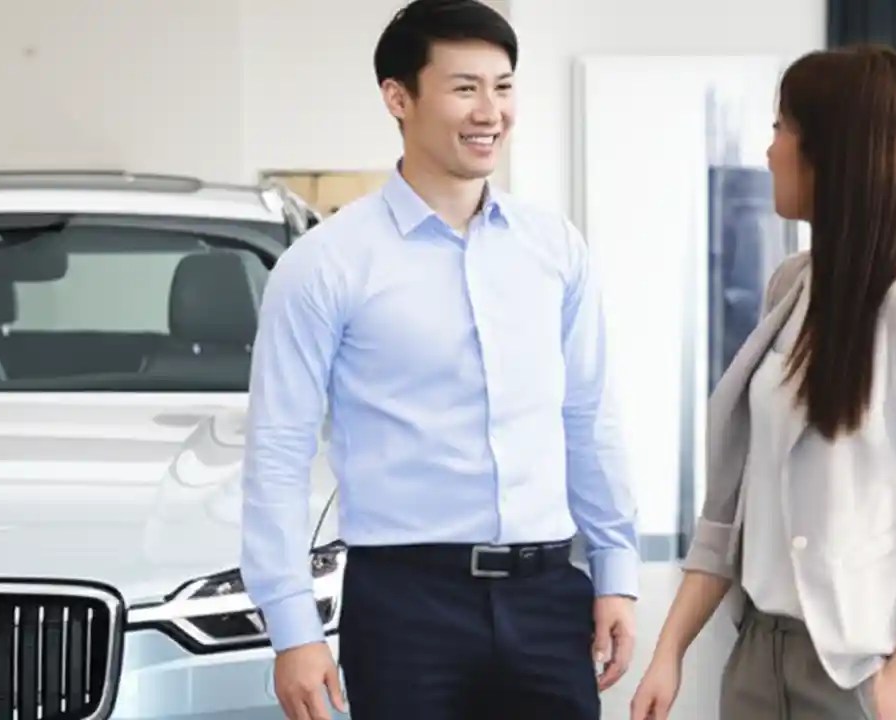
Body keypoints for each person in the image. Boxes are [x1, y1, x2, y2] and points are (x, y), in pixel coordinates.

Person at [239, 1, 641, 718]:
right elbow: (278, 452)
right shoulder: (326, 265)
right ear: (399, 97)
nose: (490, 110)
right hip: (404, 605)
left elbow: (587, 416)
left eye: (504, 86)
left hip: (549, 593)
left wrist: (616, 571)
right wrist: (291, 627)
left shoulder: (555, 249)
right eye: (465, 88)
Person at [629, 44, 896, 720]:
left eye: (781, 129)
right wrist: (670, 651)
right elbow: (727, 509)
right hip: (756, 661)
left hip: (859, 671)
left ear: (836, 149)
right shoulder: (790, 286)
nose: (769, 151)